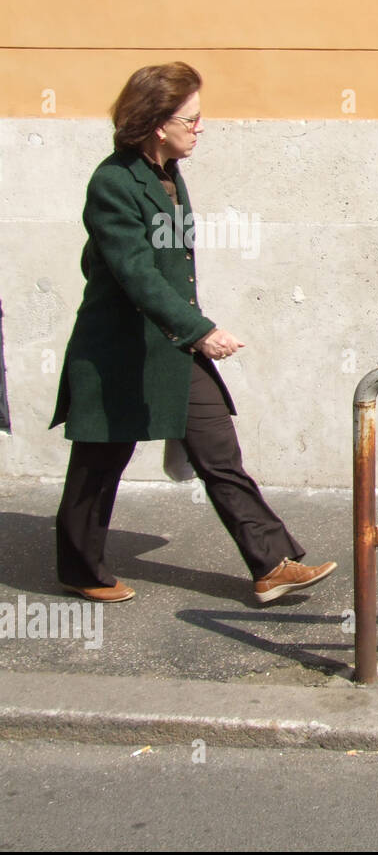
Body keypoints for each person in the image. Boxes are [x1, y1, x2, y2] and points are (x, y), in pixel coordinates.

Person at [49, 62, 336, 604]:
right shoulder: (113, 182)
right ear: (159, 123)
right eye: (192, 118)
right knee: (98, 466)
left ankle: (271, 563)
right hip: (117, 350)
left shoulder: (169, 172)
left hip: (170, 345)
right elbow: (136, 273)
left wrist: (189, 332)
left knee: (219, 453)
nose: (201, 127)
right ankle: (80, 568)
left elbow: (171, 266)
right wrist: (200, 331)